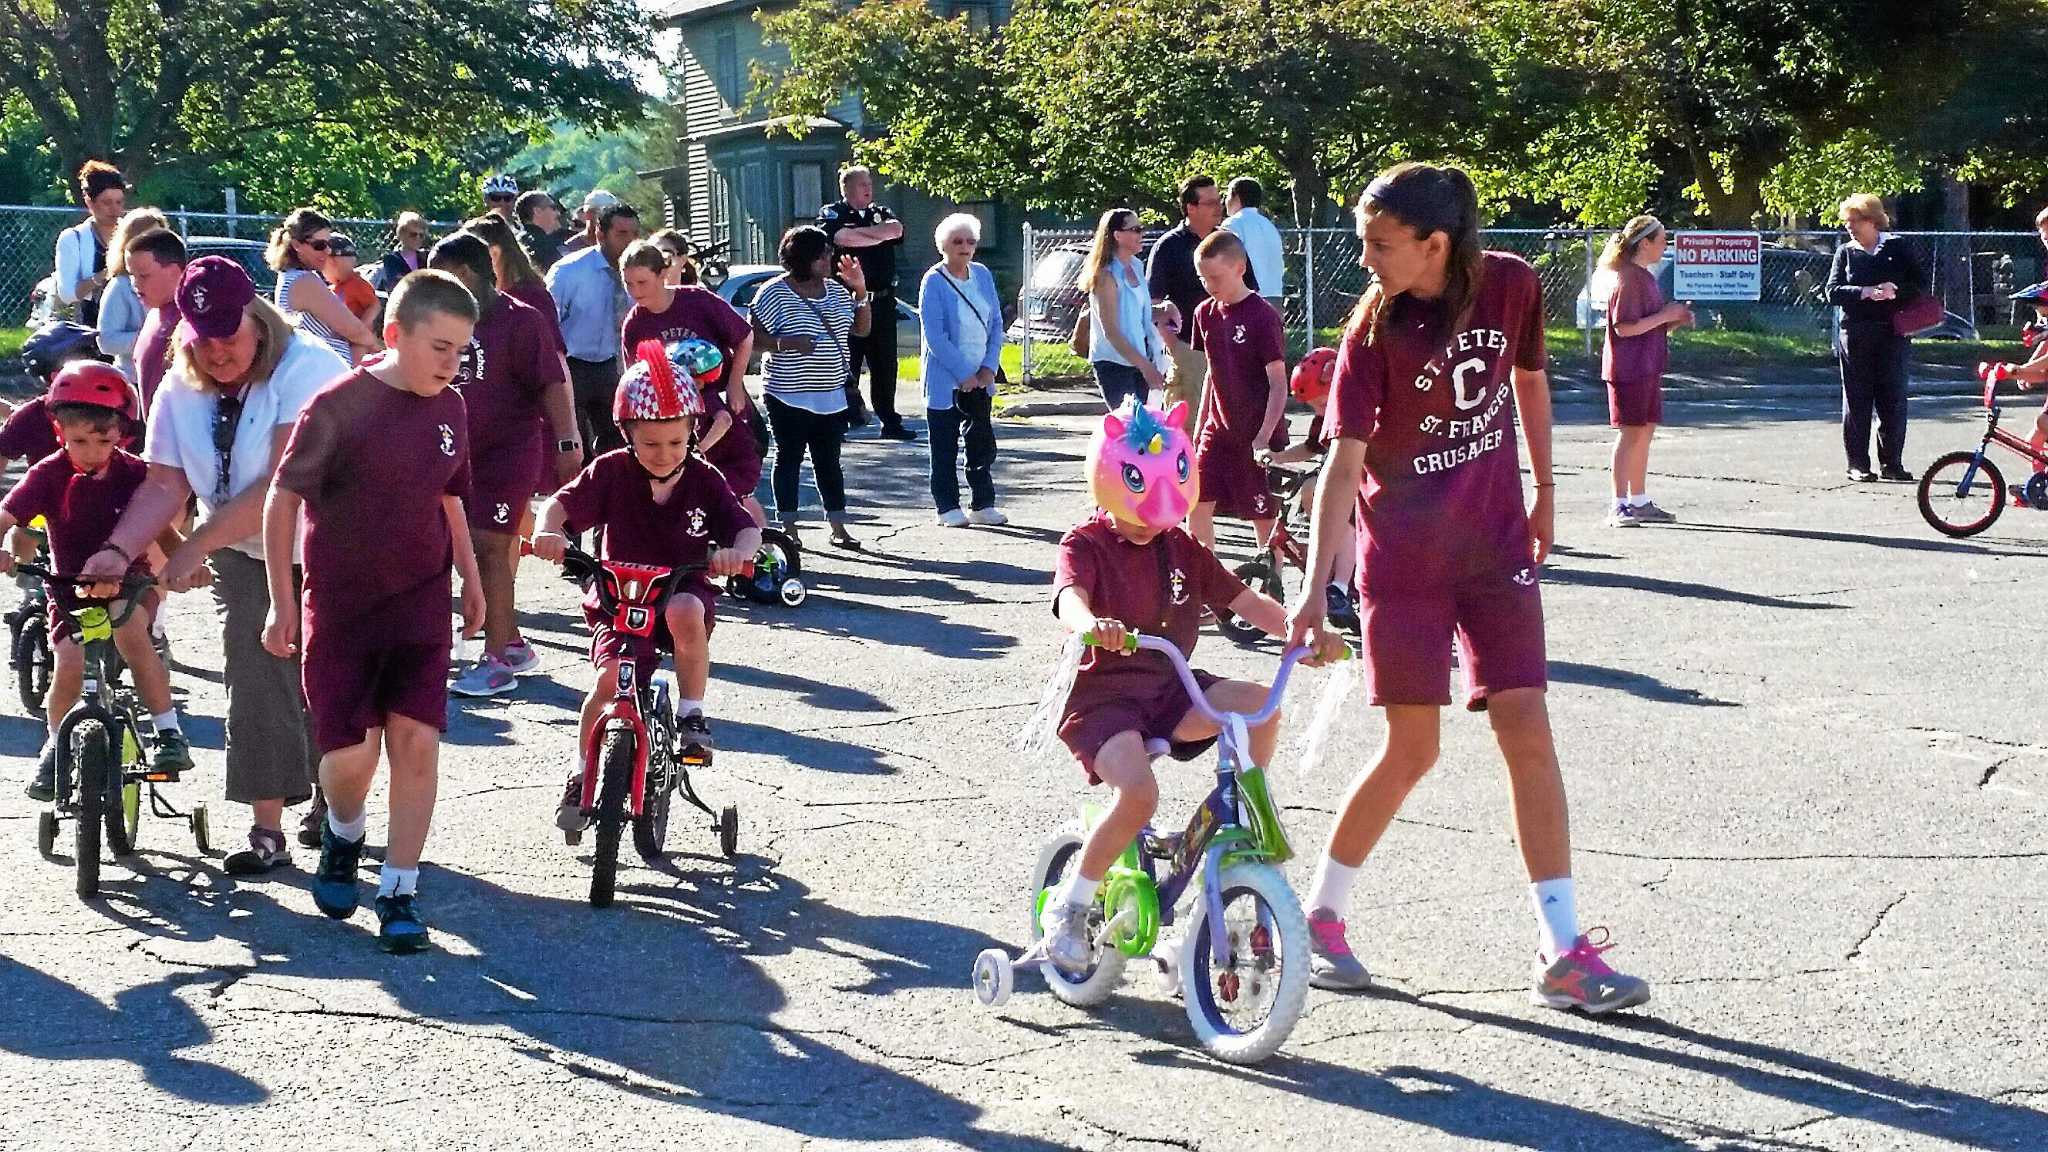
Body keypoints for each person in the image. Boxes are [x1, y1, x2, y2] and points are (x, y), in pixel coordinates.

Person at [1285, 162, 1651, 1014]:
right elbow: (1340, 470)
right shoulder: (1369, 338)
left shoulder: (1512, 287)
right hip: (1404, 564)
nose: (1365, 258)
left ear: (1435, 244)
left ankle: (1562, 951)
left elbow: (1529, 380)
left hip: (1492, 550)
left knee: (1527, 725)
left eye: (1380, 245)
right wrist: (1311, 591)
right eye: (1363, 242)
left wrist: (1545, 491)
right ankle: (1321, 916)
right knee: (1415, 749)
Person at [1036, 399, 1334, 973]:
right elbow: (1068, 597)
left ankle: (1244, 801)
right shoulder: (1085, 544)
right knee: (1139, 794)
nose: (1154, 517)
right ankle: (1070, 908)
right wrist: (1091, 625)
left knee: (1259, 707)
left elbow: (1246, 601)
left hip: (1172, 690)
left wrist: (1301, 634)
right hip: (1105, 700)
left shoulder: (1183, 548)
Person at [82, 256, 338, 871]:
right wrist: (119, 550)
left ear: (257, 320)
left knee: (326, 678)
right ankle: (266, 829)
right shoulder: (178, 386)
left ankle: (336, 804)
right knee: (253, 671)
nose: (218, 353)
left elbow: (282, 485)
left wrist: (194, 545)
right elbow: (164, 485)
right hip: (244, 548)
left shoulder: (308, 369)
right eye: (204, 342)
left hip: (332, 541)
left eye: (230, 336)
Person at [262, 270, 486, 954]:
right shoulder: (338, 406)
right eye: (439, 348)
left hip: (420, 601)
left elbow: (451, 499)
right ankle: (345, 831)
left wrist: (473, 584)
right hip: (342, 605)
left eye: (461, 352)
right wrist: (281, 603)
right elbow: (281, 501)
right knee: (349, 761)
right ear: (395, 335)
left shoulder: (451, 410)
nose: (451, 365)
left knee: (416, 741)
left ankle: (398, 889)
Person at [530, 341, 761, 830]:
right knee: (608, 682)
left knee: (684, 611)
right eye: (650, 443)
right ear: (626, 435)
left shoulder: (704, 477)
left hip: (679, 589)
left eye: (675, 443)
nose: (663, 454)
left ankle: (692, 715)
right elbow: (560, 505)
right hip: (620, 598)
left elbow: (745, 526)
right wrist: (548, 531)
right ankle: (580, 772)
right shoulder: (611, 472)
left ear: (692, 433)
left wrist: (737, 552)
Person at [1, 363, 192, 801]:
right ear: (58, 432)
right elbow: (8, 515)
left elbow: (162, 527)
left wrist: (186, 561)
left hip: (130, 582)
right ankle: (55, 747)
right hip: (68, 587)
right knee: (67, 661)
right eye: (78, 440)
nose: (91, 451)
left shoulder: (135, 474)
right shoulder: (48, 474)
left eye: (103, 440)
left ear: (121, 435)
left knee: (131, 635)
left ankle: (168, 733)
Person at [426, 232, 574, 698]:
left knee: (491, 548)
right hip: (453, 455)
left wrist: (568, 440)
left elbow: (552, 382)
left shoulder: (521, 320)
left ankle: (493, 663)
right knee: (455, 549)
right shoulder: (441, 319)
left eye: (442, 274)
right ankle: (511, 643)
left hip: (508, 453)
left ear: (467, 274)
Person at [618, 240, 764, 523]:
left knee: (735, 492)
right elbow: (634, 377)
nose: (636, 292)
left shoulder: (697, 300)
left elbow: (744, 336)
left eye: (642, 282)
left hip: (717, 405)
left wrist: (735, 383)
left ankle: (763, 554)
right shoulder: (635, 322)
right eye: (629, 284)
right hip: (675, 420)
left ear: (663, 275)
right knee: (689, 494)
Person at [750, 225, 871, 550]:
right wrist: (785, 343)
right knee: (789, 458)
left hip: (831, 396)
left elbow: (861, 330)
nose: (829, 258)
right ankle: (789, 528)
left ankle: (838, 527)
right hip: (785, 393)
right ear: (804, 257)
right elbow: (753, 340)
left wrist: (860, 290)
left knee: (829, 462)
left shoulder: (835, 291)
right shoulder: (773, 293)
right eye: (823, 254)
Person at [1184, 230, 1285, 555]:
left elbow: (1278, 383)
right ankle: (1207, 583)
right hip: (1218, 431)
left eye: (1216, 277)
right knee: (1196, 503)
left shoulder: (1262, 316)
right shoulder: (1205, 314)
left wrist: (1264, 436)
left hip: (1255, 433)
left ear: (1239, 268)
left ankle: (1273, 587)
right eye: (1203, 279)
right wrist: (1200, 430)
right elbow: (1213, 372)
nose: (1210, 286)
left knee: (1263, 515)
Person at [1824, 193, 1927, 483]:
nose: (1850, 227)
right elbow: (1832, 291)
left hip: (1893, 332)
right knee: (1857, 399)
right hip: (1855, 333)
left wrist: (1896, 291)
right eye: (1847, 222)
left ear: (1872, 221)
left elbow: (1919, 284)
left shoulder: (1897, 247)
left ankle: (1892, 464)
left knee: (1892, 398)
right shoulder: (1846, 252)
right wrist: (1865, 292)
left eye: (1855, 221)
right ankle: (1857, 464)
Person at [1599, 215, 1691, 527]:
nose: (1665, 246)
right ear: (1645, 243)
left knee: (1645, 431)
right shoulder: (1628, 278)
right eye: (1662, 240)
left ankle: (1638, 500)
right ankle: (1618, 504)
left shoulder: (1645, 277)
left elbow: (1646, 322)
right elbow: (1624, 328)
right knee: (1630, 433)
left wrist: (1672, 319)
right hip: (1628, 369)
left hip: (1647, 366)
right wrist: (1664, 314)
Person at [919, 213, 1007, 527]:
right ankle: (947, 506)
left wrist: (988, 368)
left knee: (981, 443)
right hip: (947, 381)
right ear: (944, 246)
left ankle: (983, 503)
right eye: (957, 242)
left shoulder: (982, 274)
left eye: (970, 241)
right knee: (943, 446)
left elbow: (996, 323)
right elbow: (935, 335)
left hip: (981, 377)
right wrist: (961, 373)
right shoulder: (934, 280)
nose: (965, 247)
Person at [819, 165, 912, 439]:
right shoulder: (833, 212)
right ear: (846, 189)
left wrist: (864, 236)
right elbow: (839, 237)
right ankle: (843, 419)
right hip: (847, 302)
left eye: (869, 183)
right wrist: (876, 235)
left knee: (885, 364)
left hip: (882, 301)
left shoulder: (880, 212)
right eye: (862, 184)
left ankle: (890, 421)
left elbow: (896, 231)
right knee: (847, 361)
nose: (868, 188)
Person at [547, 202, 641, 455]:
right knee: (573, 442)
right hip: (572, 365)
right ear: (600, 234)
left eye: (634, 234)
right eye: (621, 234)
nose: (630, 242)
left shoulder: (639, 273)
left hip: (614, 365)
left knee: (618, 441)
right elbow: (547, 323)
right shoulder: (569, 271)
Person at [1148, 174, 1227, 412]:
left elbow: (1250, 289)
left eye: (1219, 201)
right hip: (1189, 349)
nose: (1218, 208)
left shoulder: (1228, 242)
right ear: (1191, 208)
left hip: (1229, 345)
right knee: (1188, 424)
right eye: (1210, 203)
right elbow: (1154, 304)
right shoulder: (1169, 246)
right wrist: (1176, 348)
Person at [267, 207, 382, 364]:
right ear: (296, 245)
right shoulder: (304, 282)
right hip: (330, 374)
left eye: (329, 244)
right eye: (319, 245)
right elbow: (356, 331)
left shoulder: (293, 277)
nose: (327, 251)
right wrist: (385, 353)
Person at [1080, 208, 1167, 412]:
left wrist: (1164, 309)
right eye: (1136, 229)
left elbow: (1136, 315)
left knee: (1148, 432)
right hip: (1114, 363)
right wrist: (1146, 368)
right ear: (1118, 235)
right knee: (1130, 430)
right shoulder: (1106, 276)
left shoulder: (1136, 266)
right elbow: (1111, 331)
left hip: (1142, 358)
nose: (1141, 234)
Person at [95, 207, 171, 381]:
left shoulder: (175, 281)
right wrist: (152, 337)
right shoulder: (120, 287)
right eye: (149, 239)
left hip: (171, 380)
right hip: (133, 380)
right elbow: (106, 341)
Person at [54, 160, 127, 328]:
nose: (115, 209)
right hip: (89, 328)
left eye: (119, 202)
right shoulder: (73, 239)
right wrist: (103, 275)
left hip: (130, 327)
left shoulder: (133, 233)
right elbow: (67, 294)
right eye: (107, 202)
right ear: (89, 202)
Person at [125, 228, 189, 413]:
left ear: (174, 272)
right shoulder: (155, 313)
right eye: (131, 275)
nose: (135, 284)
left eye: (143, 275)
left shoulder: (190, 317)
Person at [1220, 177, 1285, 305]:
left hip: (1248, 299)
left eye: (1227, 195)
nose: (1224, 201)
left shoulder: (1232, 224)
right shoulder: (1268, 225)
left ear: (1236, 197)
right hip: (1275, 296)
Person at [322, 233, 381, 332]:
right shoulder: (333, 289)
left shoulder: (357, 284)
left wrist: (361, 328)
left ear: (332, 263)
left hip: (358, 339)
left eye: (322, 265)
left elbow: (374, 305)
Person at [375, 212, 430, 292]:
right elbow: (395, 283)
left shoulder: (426, 257)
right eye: (413, 234)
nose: (418, 238)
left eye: (421, 235)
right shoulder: (392, 259)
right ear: (401, 234)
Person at [515, 191, 566, 273]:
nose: (558, 213)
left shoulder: (519, 242)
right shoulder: (535, 244)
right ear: (537, 211)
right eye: (553, 208)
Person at [563, 190, 619, 256]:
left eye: (614, 213)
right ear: (588, 214)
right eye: (603, 212)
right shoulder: (570, 248)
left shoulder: (621, 242)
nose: (610, 218)